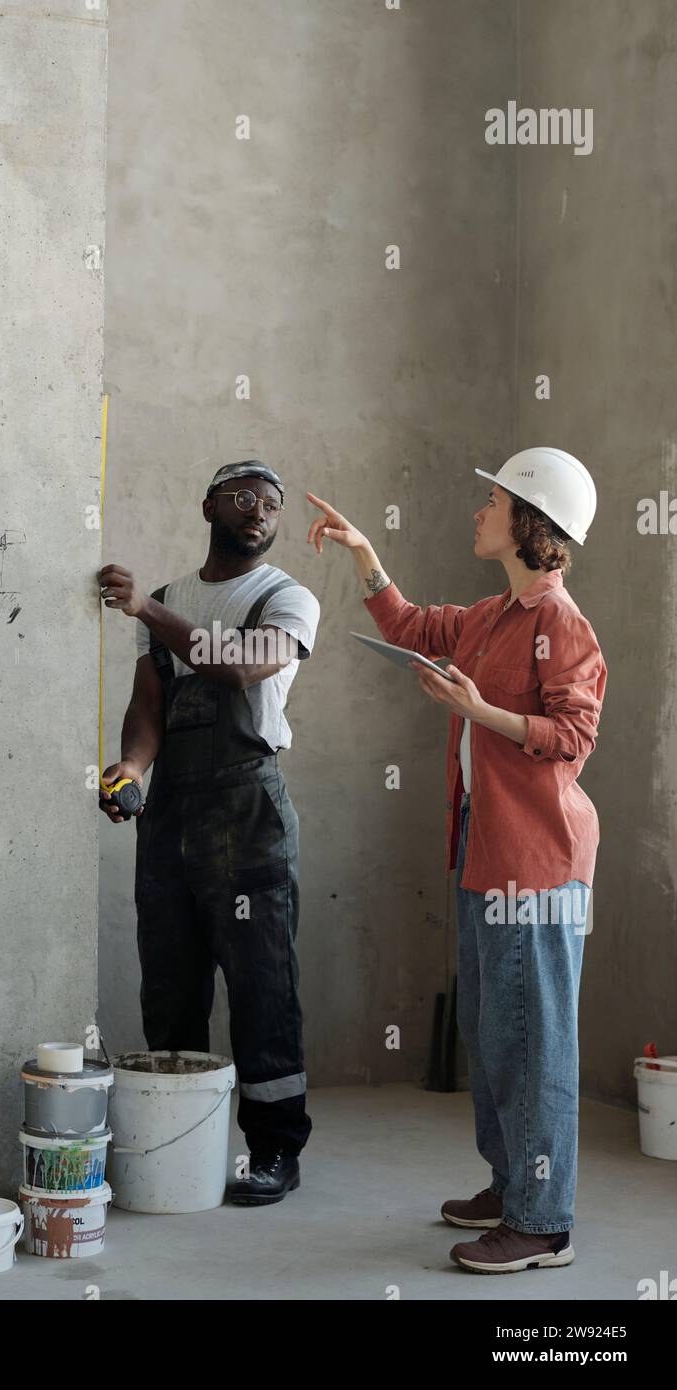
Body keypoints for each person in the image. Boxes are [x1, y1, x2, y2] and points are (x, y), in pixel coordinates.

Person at [307, 447, 606, 1274]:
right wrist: (366, 555)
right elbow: (410, 626)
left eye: (494, 502)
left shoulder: (561, 623)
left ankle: (544, 1224)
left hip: (539, 864)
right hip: (485, 854)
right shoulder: (492, 616)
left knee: (535, 1040)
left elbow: (573, 737)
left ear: (529, 521)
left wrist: (483, 712)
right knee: (491, 1028)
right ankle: (514, 1188)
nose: (479, 512)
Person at [98, 461, 320, 1205]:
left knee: (261, 986)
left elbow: (241, 668)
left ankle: (274, 1151)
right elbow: (150, 708)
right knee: (169, 990)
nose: (259, 511)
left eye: (272, 504)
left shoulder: (284, 598)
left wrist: (146, 614)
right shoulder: (168, 599)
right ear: (209, 506)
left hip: (246, 817)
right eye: (243, 498)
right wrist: (130, 768)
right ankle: (182, 1141)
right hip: (171, 821)